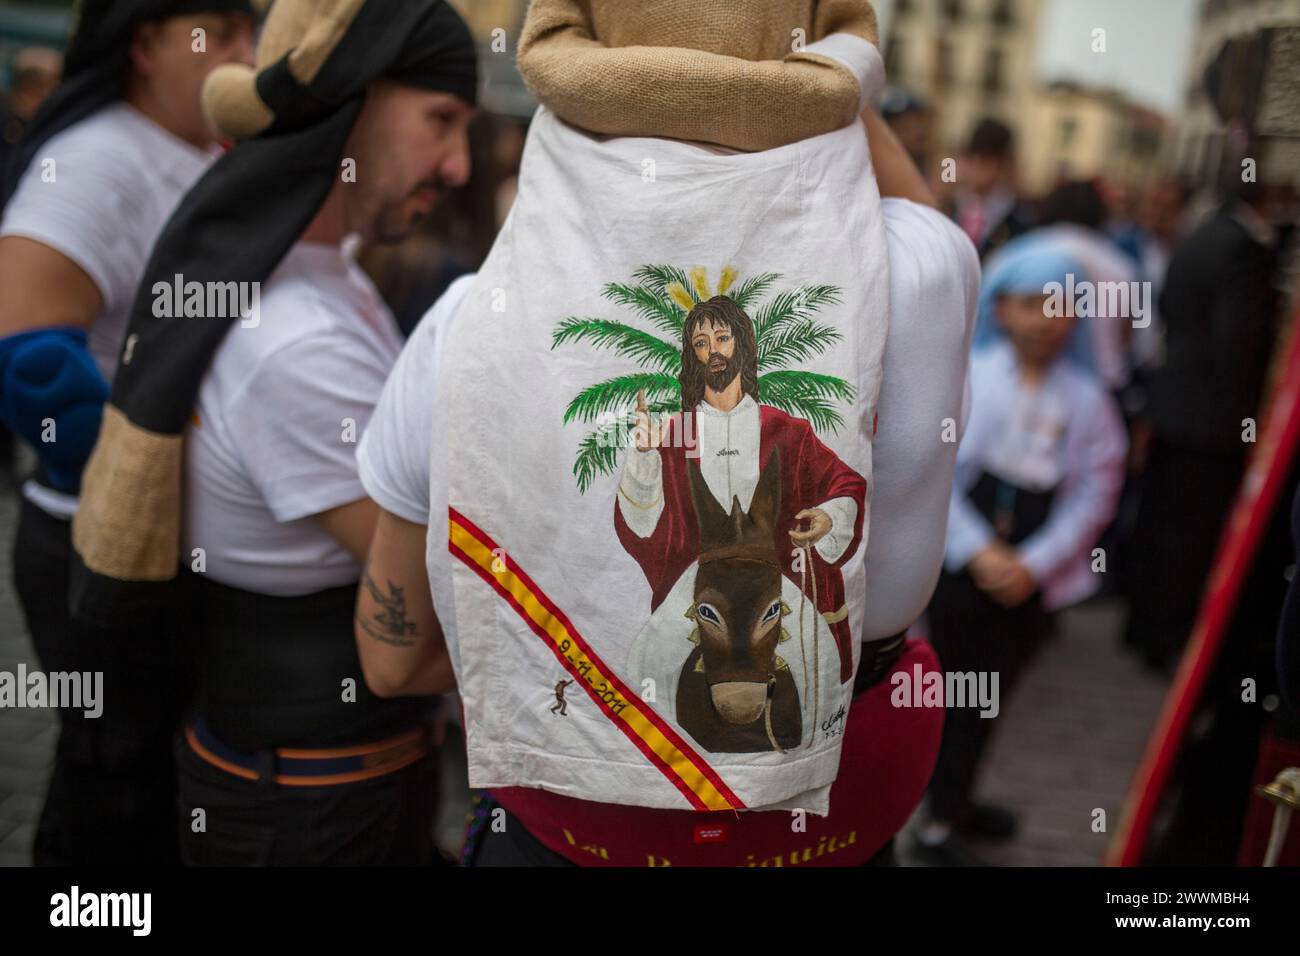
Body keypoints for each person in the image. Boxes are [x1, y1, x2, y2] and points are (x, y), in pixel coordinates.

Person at [355, 0, 979, 865]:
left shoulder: (466, 327)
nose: (716, 350)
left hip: (575, 830)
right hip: (840, 821)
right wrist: (829, 82)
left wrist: (562, 681)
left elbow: (390, 663)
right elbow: (918, 212)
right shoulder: (925, 272)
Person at [69, 0, 477, 865]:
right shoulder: (293, 338)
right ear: (351, 106)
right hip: (313, 807)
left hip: (330, 785)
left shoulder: (323, 281)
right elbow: (441, 584)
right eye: (441, 120)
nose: (459, 163)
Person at [0, 0, 255, 867]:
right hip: (93, 542)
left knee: (132, 777)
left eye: (247, 34)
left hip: (163, 549)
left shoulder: (199, 154)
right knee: (115, 785)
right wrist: (134, 489)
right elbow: (28, 360)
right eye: (217, 34)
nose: (241, 55)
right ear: (147, 44)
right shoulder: (97, 157)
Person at [916, 242, 1127, 866]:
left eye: (1060, 306)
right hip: (961, 564)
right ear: (1000, 308)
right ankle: (927, 819)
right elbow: (934, 470)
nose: (1045, 319)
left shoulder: (1088, 400)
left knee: (988, 695)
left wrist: (1035, 562)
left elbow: (1097, 488)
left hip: (1029, 574)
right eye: (1030, 303)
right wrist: (979, 549)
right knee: (943, 693)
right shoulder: (971, 380)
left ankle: (954, 804)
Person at [1124, 182, 1283, 670]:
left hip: (1176, 405)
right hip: (1212, 419)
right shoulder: (1244, 250)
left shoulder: (1201, 235)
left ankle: (1141, 626)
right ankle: (1165, 637)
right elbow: (1237, 344)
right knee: (1189, 533)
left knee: (1161, 520)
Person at [949, 117, 1033, 260]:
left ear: (1003, 165)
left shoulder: (1019, 219)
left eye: (984, 161)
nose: (974, 169)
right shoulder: (951, 207)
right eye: (971, 159)